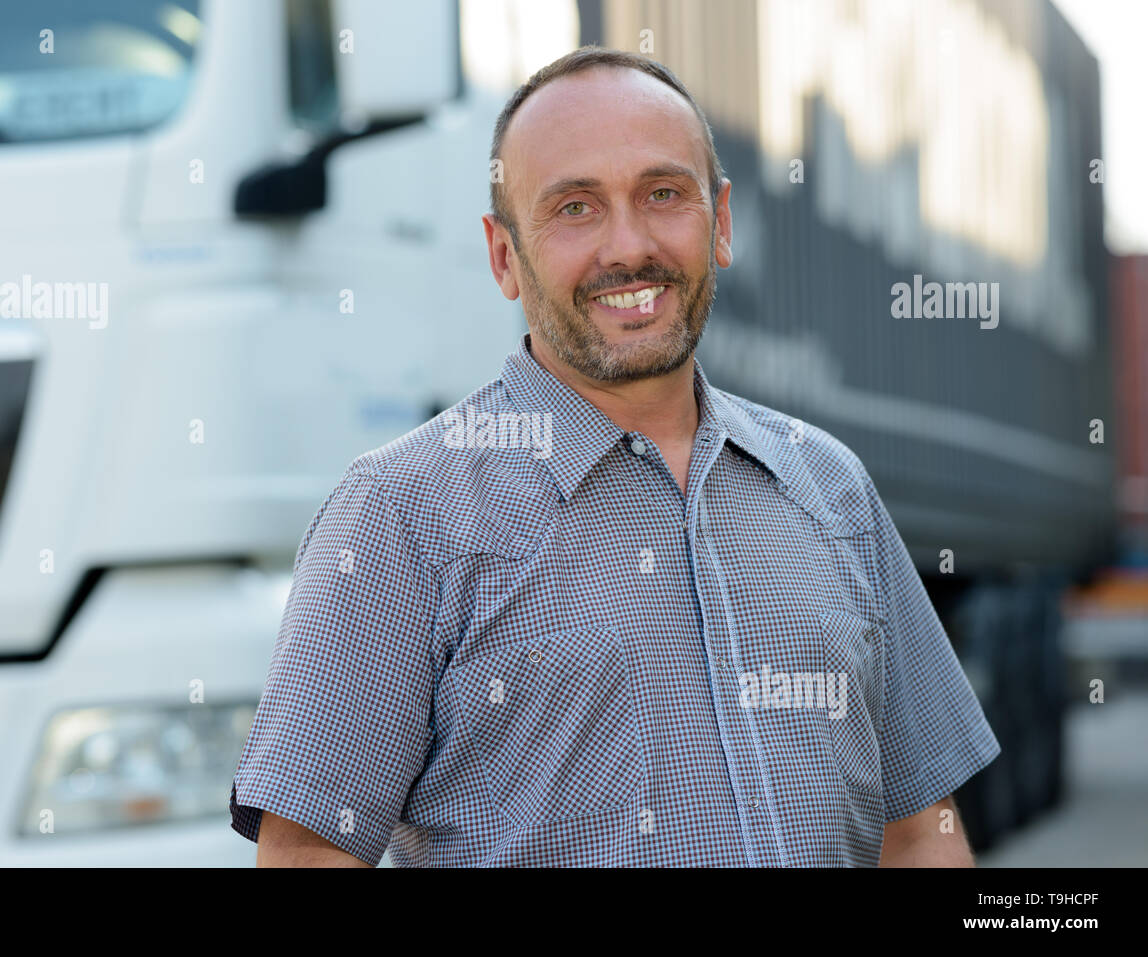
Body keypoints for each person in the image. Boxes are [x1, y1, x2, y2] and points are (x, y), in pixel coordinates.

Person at [230, 46, 1000, 867]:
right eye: (574, 208)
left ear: (723, 222)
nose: (628, 247)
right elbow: (308, 855)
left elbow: (922, 829)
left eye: (663, 194)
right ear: (503, 256)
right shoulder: (396, 515)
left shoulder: (830, 487)